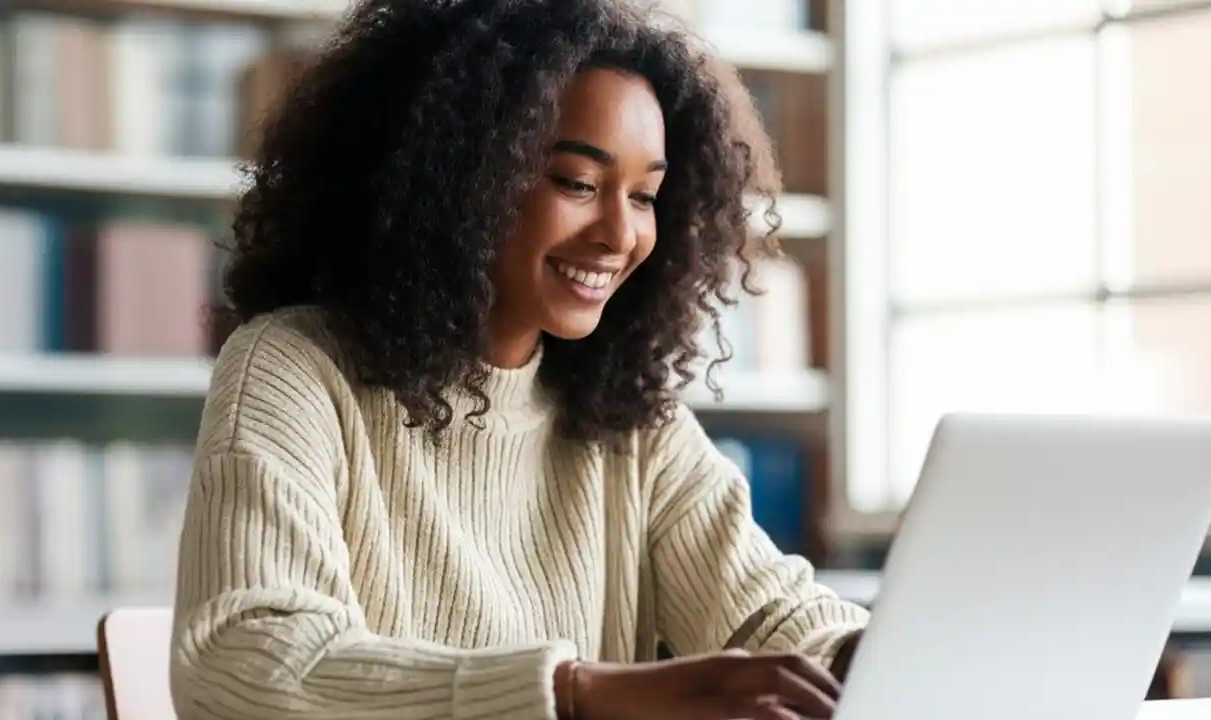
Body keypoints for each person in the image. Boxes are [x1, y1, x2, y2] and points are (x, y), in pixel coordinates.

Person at [170, 0, 868, 718]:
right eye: (577, 183)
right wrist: (575, 693)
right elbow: (241, 663)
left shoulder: (628, 421)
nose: (618, 234)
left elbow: (772, 620)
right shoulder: (294, 368)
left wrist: (882, 655)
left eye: (645, 196)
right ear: (459, 175)